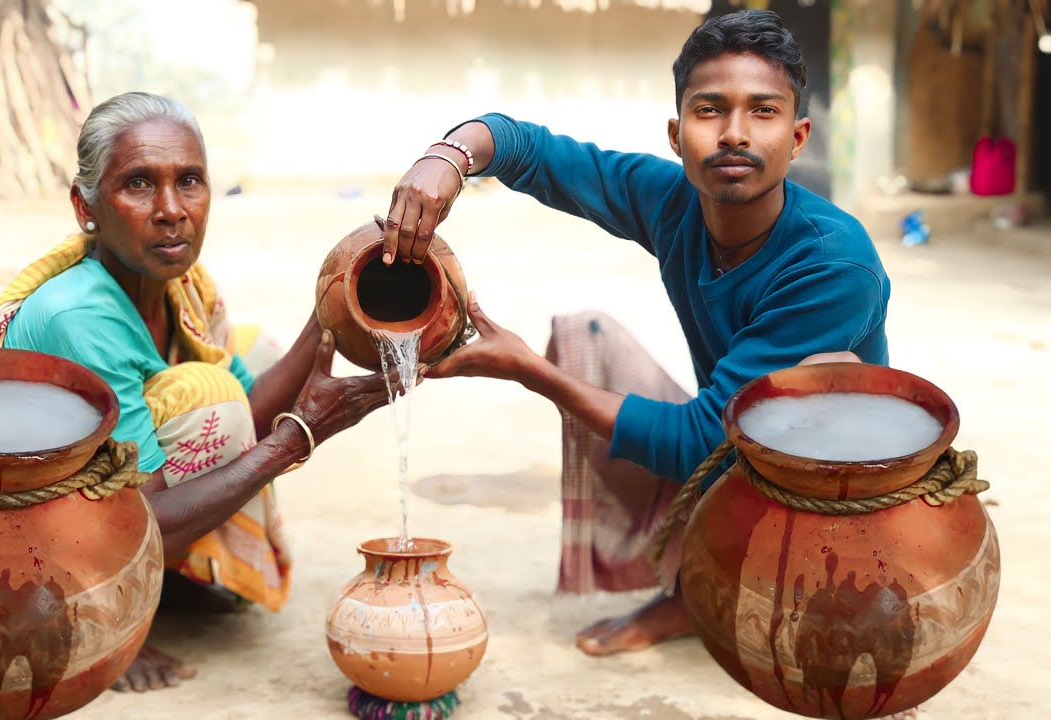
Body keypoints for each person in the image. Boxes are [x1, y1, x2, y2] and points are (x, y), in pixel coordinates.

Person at [381, 10, 890, 658]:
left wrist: (530, 371)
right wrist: (446, 156)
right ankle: (692, 586)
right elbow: (529, 150)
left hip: (837, 486)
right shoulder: (673, 199)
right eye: (711, 110)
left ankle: (812, 590)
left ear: (798, 136)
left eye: (762, 112)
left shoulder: (831, 263)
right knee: (586, 337)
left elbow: (708, 439)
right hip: (738, 440)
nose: (734, 133)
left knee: (798, 389)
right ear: (678, 135)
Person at [0, 92, 397, 691]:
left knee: (252, 354)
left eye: (189, 181)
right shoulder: (80, 316)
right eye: (139, 184)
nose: (172, 210)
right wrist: (296, 439)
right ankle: (100, 624)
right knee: (210, 398)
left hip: (102, 499)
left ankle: (169, 585)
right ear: (85, 208)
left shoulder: (183, 286)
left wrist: (330, 309)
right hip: (21, 547)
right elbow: (143, 518)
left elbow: (252, 413)